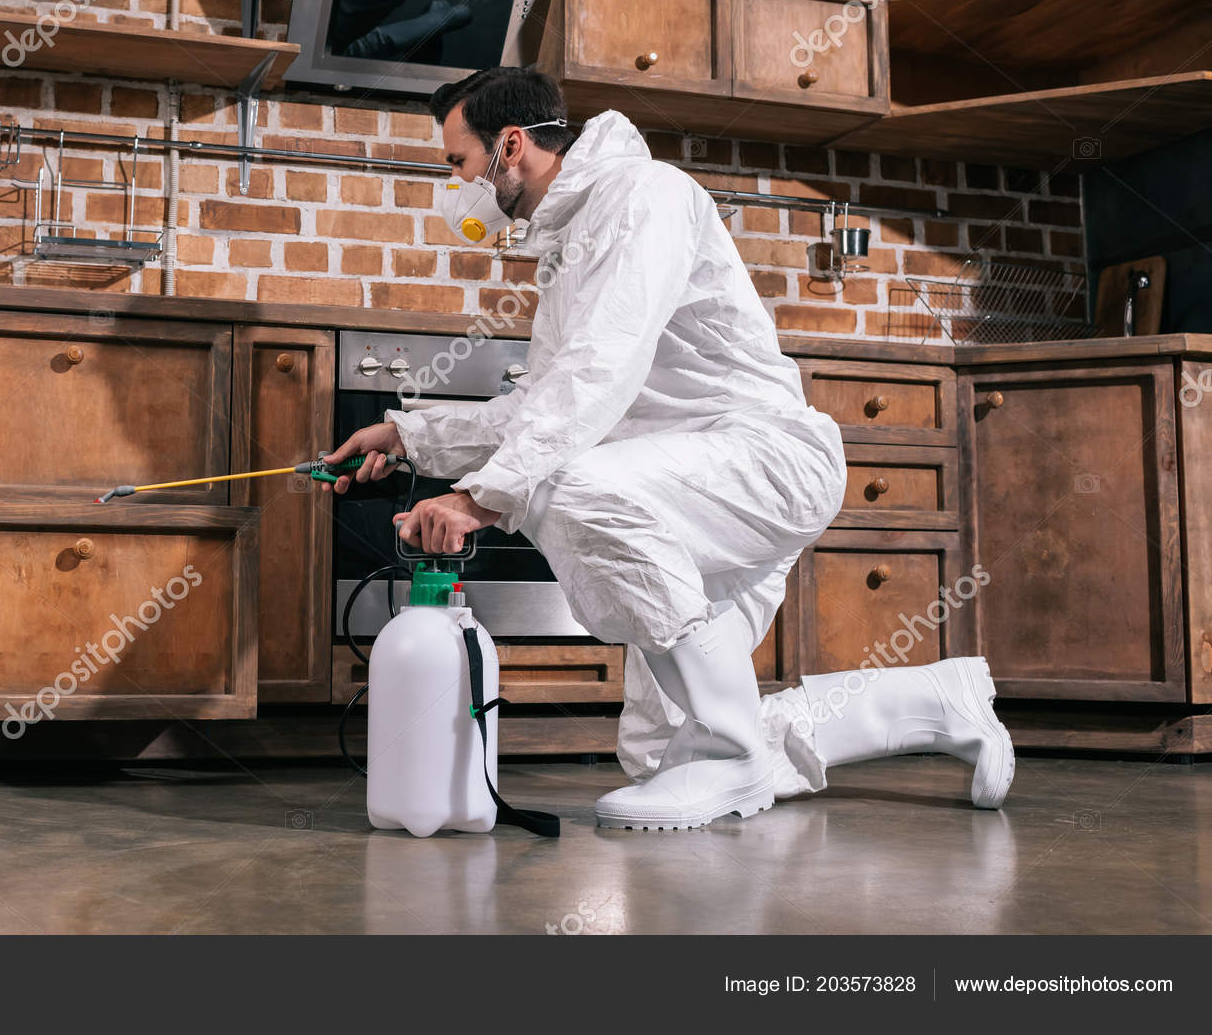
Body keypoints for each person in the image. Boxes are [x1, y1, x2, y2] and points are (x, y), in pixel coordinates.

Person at [326, 66, 1014, 831]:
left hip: (758, 463)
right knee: (659, 754)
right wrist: (411, 436)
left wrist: (481, 498)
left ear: (509, 147)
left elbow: (597, 372)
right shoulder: (574, 234)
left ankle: (732, 757)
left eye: (457, 163)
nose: (455, 186)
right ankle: (934, 702)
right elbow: (546, 399)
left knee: (568, 486)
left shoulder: (640, 197)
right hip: (686, 487)